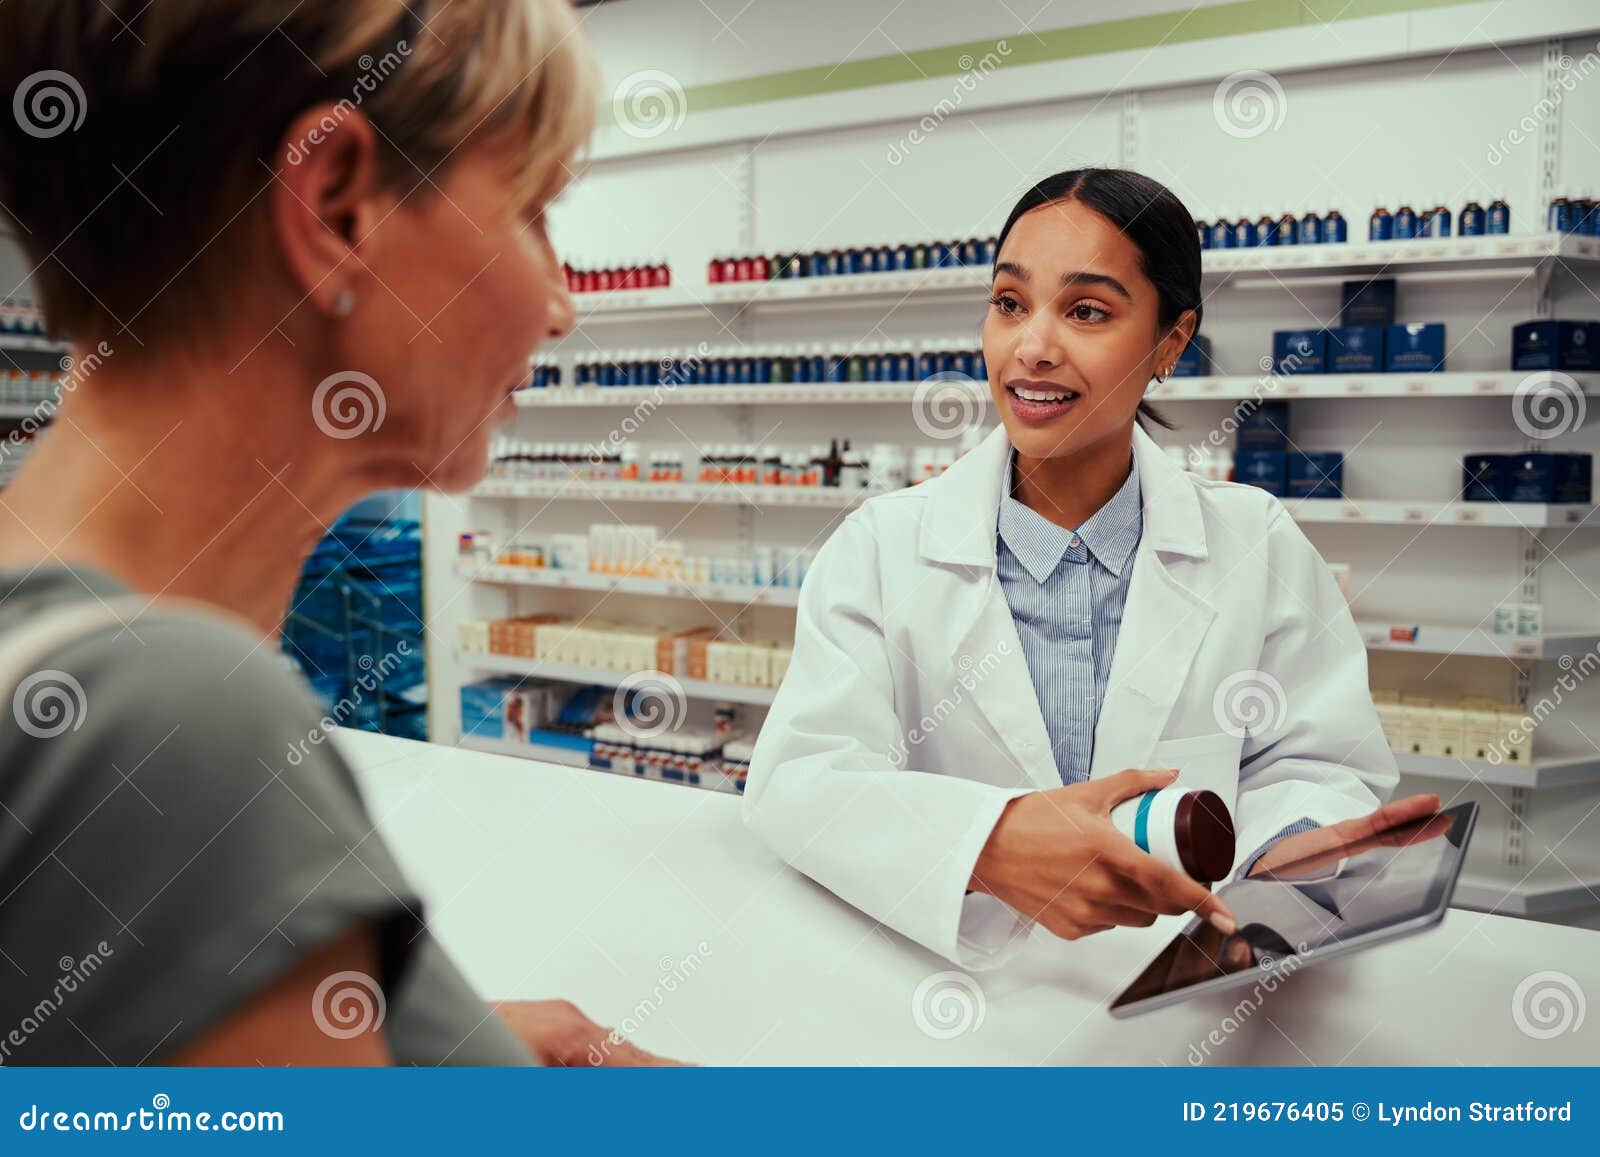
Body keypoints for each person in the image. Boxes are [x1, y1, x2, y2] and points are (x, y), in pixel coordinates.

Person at [0, 0, 677, 1065]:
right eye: (535, 208)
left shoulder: (73, 664)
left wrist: (420, 1041)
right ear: (337, 205)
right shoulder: (165, 724)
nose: (559, 306)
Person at [744, 168, 1437, 970]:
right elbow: (803, 780)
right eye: (1009, 303)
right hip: (950, 998)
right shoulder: (879, 549)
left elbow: (1316, 761)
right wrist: (987, 842)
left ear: (1170, 343)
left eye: (1086, 311)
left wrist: (1288, 851)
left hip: (1188, 999)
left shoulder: (1259, 543)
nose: (1032, 348)